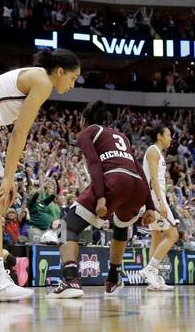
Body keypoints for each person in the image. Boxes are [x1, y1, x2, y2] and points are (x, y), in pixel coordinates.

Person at [0, 49, 82, 301]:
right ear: (60, 71)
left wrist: (7, 177)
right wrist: (8, 177)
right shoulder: (42, 81)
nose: (73, 85)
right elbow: (19, 133)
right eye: (73, 78)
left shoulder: (35, 77)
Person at [48, 102, 157, 298]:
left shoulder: (86, 132)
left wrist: (100, 198)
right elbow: (139, 169)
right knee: (120, 226)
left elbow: (94, 164)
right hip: (138, 186)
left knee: (67, 227)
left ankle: (70, 280)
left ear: (83, 120)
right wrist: (150, 205)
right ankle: (113, 278)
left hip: (115, 180)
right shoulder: (120, 136)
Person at [142, 123, 178, 291]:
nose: (170, 138)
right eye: (168, 134)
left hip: (156, 197)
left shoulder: (159, 154)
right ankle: (150, 269)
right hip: (155, 198)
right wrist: (161, 202)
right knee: (173, 235)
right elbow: (153, 180)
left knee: (156, 236)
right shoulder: (152, 151)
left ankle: (153, 279)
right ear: (159, 136)